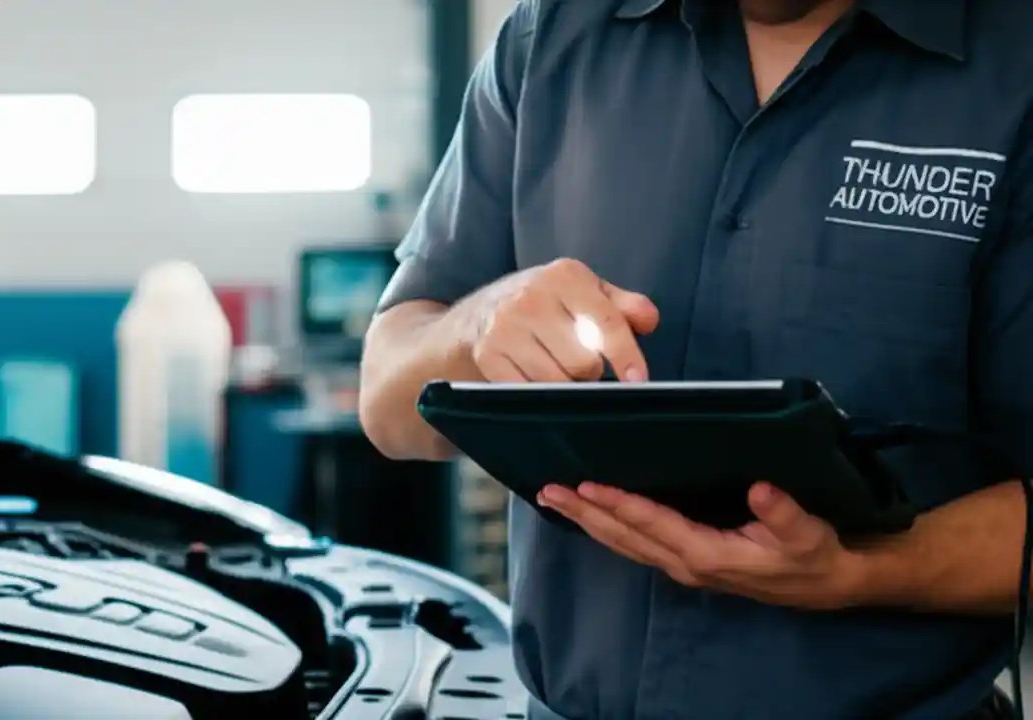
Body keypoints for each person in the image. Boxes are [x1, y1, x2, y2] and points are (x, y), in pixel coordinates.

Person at [358, 0, 1033, 717]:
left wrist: (866, 570)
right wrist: (476, 327)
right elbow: (387, 403)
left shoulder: (1013, 71)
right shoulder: (551, 38)